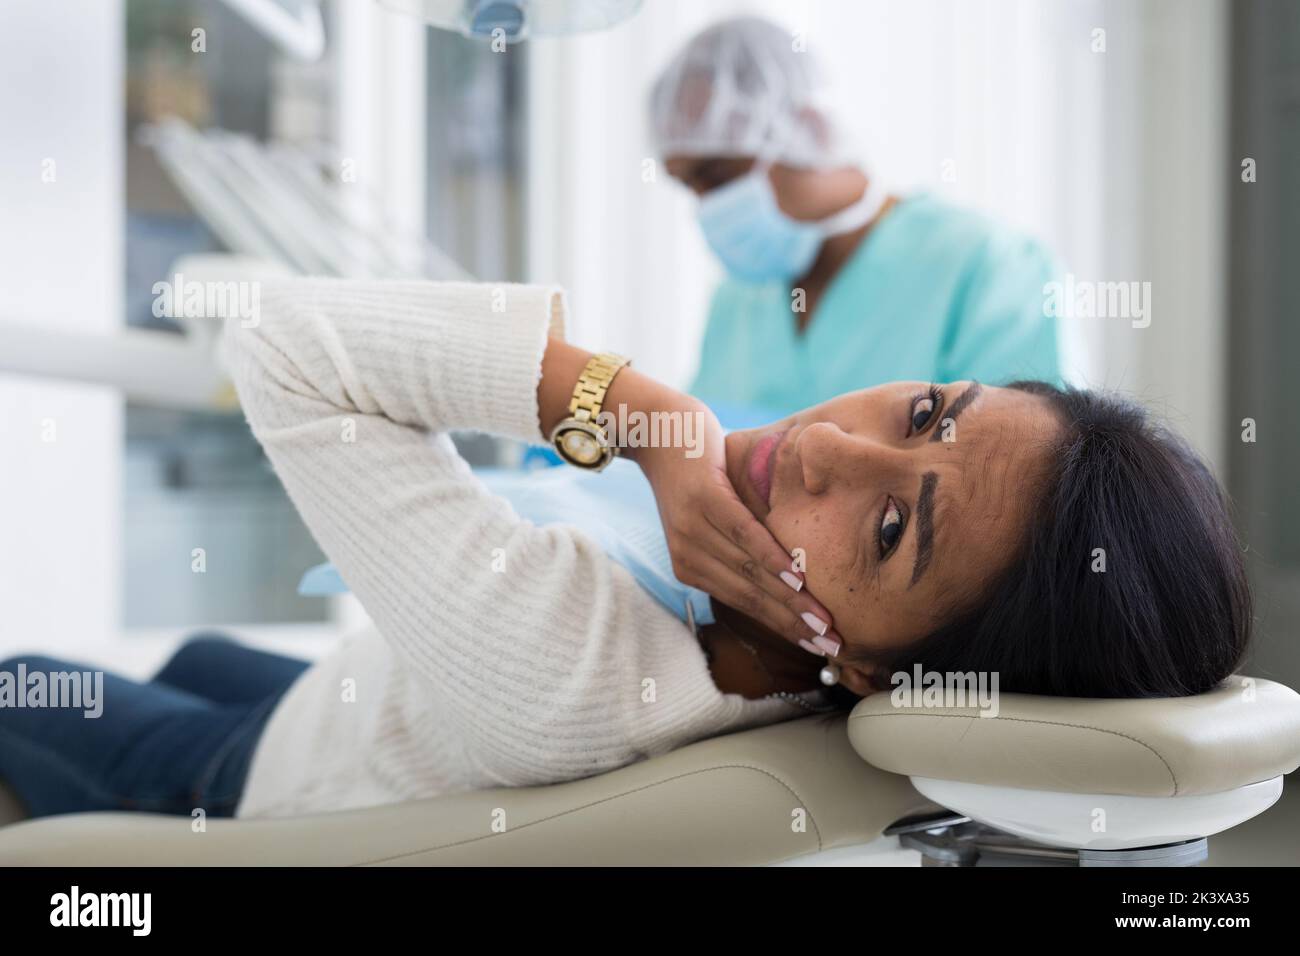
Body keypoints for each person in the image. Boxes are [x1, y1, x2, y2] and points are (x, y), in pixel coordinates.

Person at [0, 278, 1249, 821]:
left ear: (879, 668)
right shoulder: (792, 672)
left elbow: (280, 343)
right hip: (367, 705)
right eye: (926, 412)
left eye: (886, 529)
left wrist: (653, 418)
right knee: (207, 641)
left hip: (248, 782)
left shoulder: (568, 673)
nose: (827, 448)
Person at [649, 16, 1064, 417]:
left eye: (719, 177)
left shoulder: (990, 267)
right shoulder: (738, 299)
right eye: (690, 187)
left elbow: (1028, 468)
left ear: (808, 129)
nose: (708, 208)